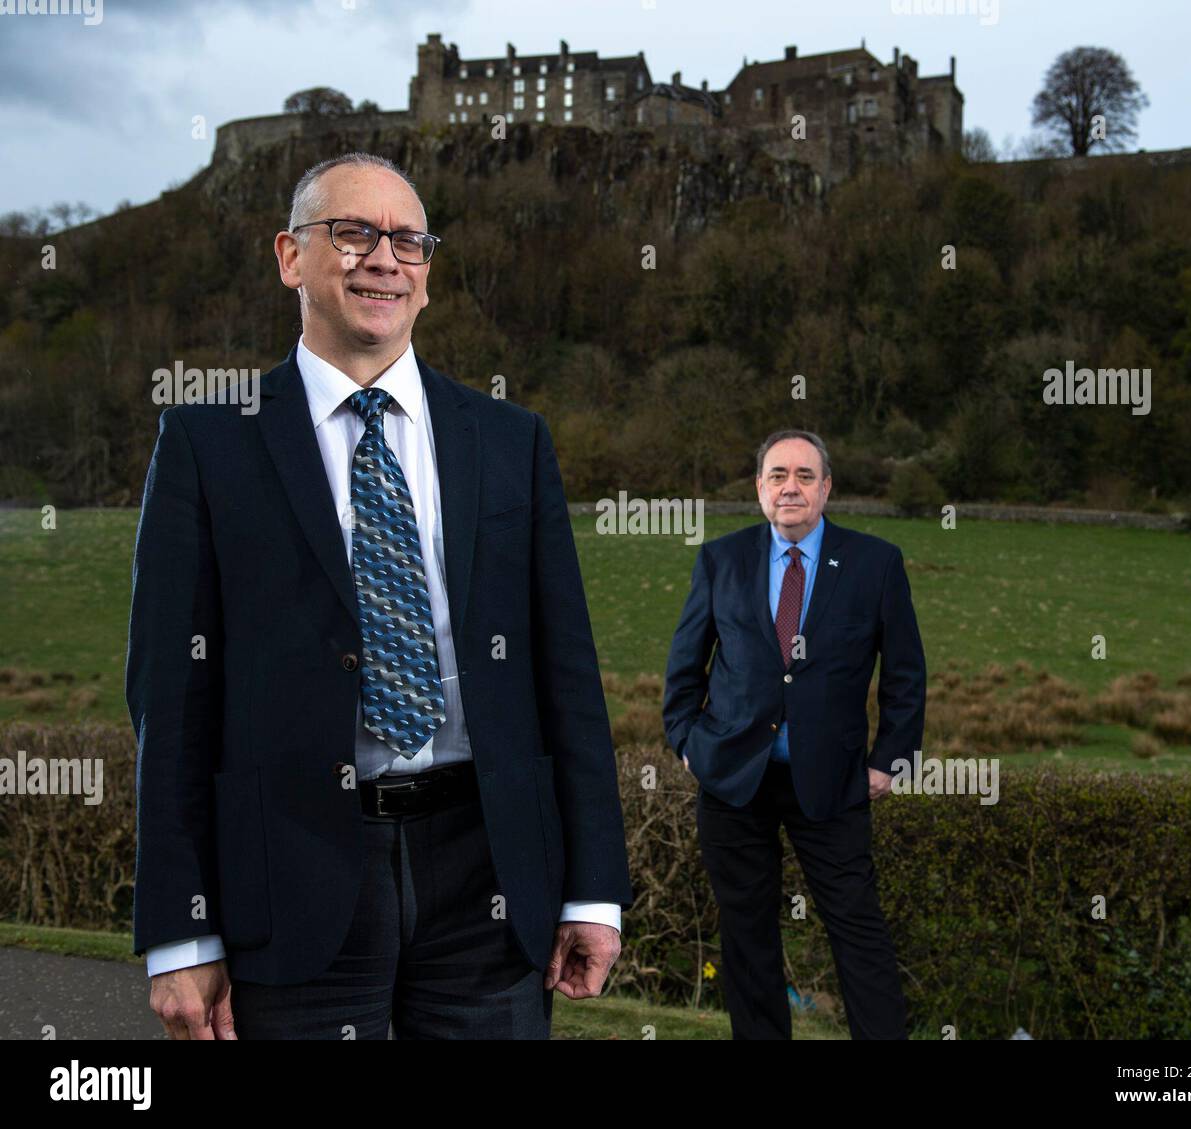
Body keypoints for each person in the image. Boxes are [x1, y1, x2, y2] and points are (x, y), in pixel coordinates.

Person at [127, 152, 632, 1039]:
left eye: (408, 240)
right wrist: (179, 928)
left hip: (491, 874)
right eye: (353, 232)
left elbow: (567, 679)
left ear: (428, 274)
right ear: (290, 257)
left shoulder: (511, 440)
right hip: (291, 879)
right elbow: (171, 704)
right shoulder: (208, 444)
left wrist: (593, 885)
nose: (383, 258)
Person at [662, 429, 925, 1039]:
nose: (791, 487)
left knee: (858, 928)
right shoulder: (721, 559)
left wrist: (890, 760)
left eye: (805, 476)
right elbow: (684, 666)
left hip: (831, 782)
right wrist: (687, 744)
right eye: (778, 475)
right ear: (759, 488)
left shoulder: (875, 563)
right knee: (747, 933)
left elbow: (906, 673)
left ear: (827, 488)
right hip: (733, 781)